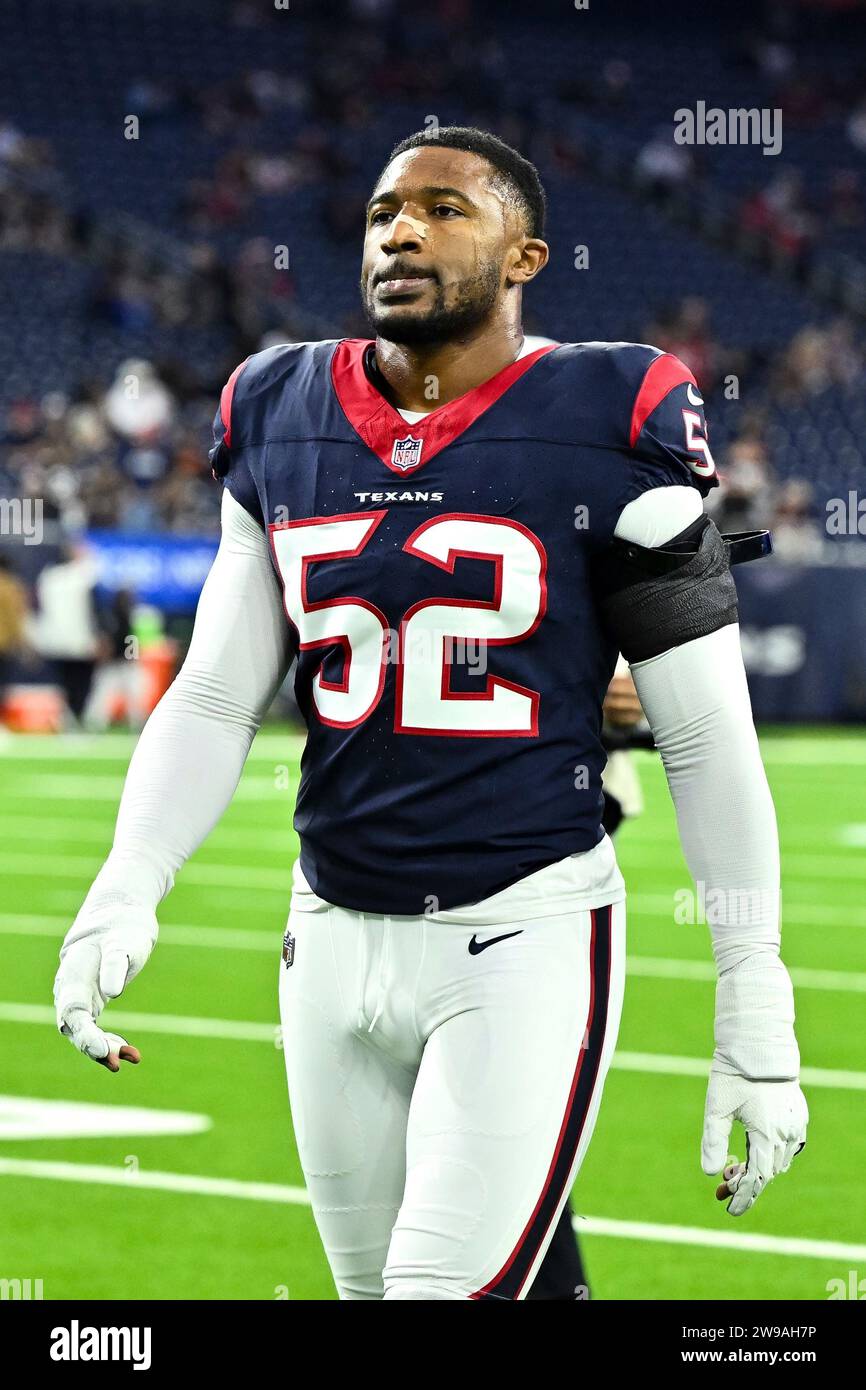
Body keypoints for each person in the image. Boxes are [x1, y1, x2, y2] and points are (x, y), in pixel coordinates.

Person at [54, 127, 807, 1301]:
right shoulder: (275, 404)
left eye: (445, 209)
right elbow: (212, 689)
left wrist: (750, 998)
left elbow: (706, 738)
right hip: (327, 931)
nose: (400, 229)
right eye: (379, 214)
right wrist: (129, 876)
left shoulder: (615, 405)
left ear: (525, 254)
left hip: (520, 927)